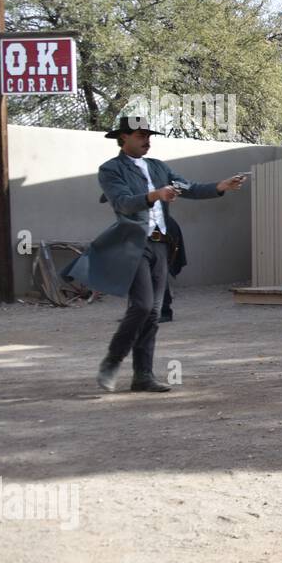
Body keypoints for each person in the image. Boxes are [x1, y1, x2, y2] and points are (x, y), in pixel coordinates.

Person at [63, 115, 246, 392]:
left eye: (149, 135)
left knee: (154, 312)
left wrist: (221, 186)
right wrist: (154, 195)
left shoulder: (158, 167)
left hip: (161, 245)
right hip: (133, 245)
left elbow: (190, 188)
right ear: (123, 138)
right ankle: (112, 362)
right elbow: (123, 203)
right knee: (143, 306)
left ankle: (142, 376)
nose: (147, 140)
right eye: (140, 135)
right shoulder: (111, 169)